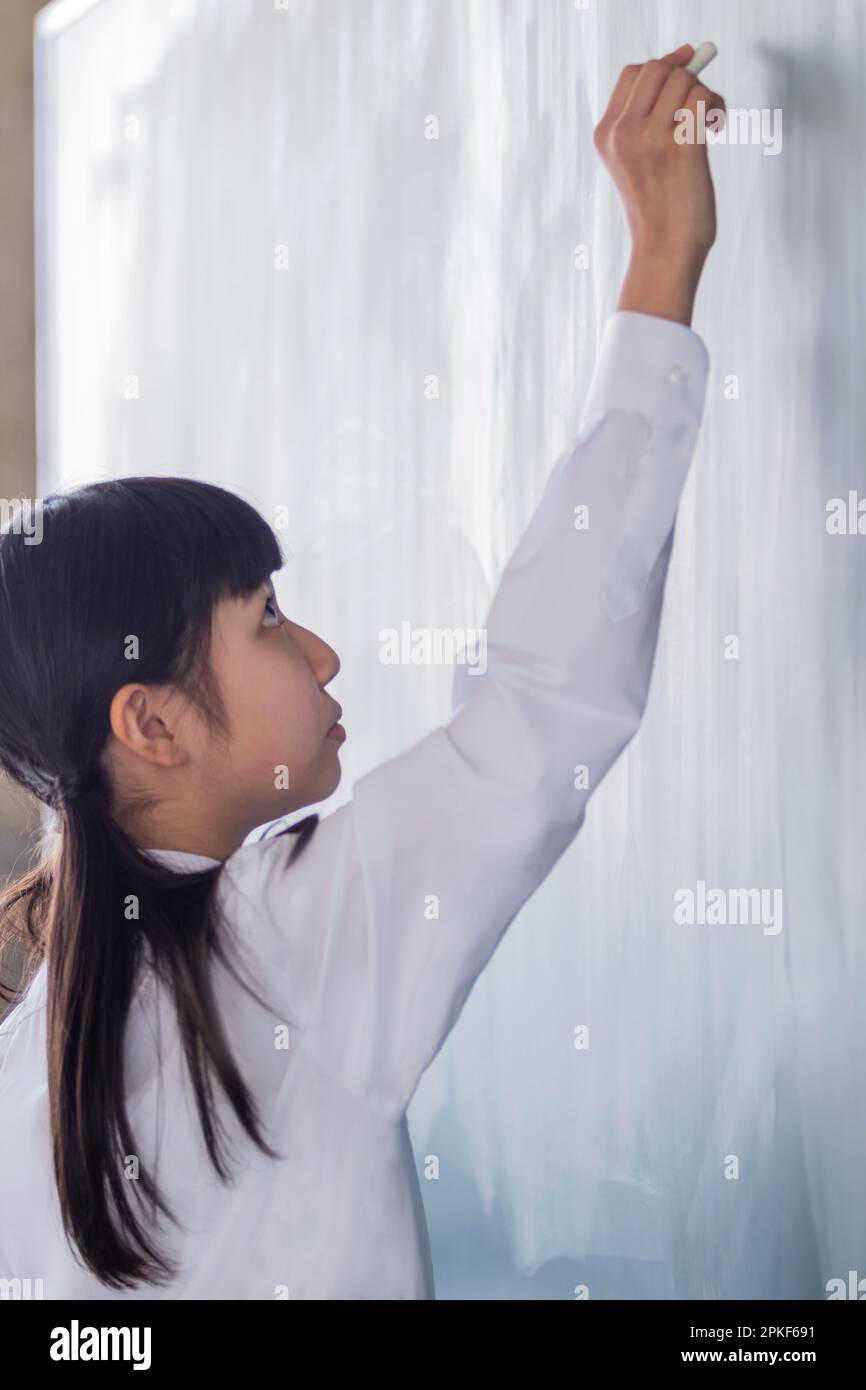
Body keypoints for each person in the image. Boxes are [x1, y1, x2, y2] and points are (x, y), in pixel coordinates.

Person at [0, 42, 722, 1299]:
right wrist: (661, 268)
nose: (323, 649)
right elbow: (537, 707)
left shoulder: (28, 1067)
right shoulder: (282, 941)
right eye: (270, 618)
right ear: (152, 724)